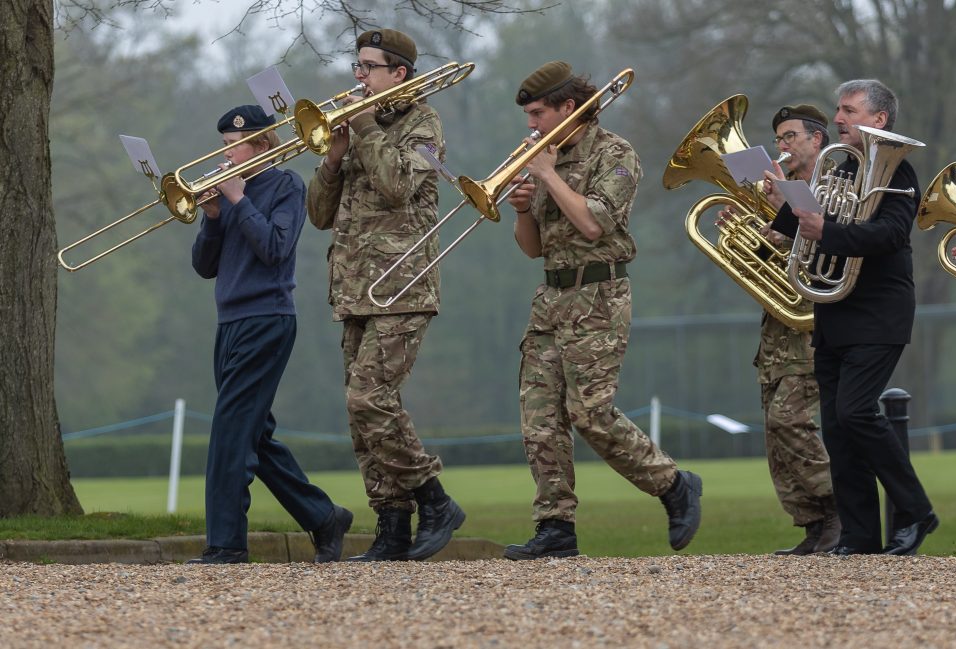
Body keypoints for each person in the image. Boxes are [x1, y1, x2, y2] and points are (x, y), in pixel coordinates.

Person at [503, 61, 702, 560]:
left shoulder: (615, 154)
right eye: (528, 115)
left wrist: (546, 173)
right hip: (550, 299)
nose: (531, 126)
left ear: (569, 107)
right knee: (539, 418)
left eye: (538, 113)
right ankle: (555, 527)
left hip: (598, 298)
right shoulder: (548, 154)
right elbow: (532, 249)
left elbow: (594, 225)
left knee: (590, 414)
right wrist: (524, 208)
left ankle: (673, 484)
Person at [306, 28, 464, 562]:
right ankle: (392, 525)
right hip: (353, 290)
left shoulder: (424, 124)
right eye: (357, 66)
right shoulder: (356, 129)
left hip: (402, 285)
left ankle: (434, 498)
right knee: (362, 417)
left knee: (368, 398)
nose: (358, 76)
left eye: (369, 67)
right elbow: (319, 216)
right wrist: (332, 158)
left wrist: (367, 125)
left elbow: (398, 185)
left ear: (398, 73)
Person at [765, 80, 939, 556]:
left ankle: (916, 510)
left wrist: (828, 230)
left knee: (857, 412)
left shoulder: (898, 172)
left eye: (848, 110)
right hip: (835, 312)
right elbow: (798, 227)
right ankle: (860, 536)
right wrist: (782, 206)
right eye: (837, 109)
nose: (837, 118)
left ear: (878, 120)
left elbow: (888, 235)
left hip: (879, 311)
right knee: (838, 429)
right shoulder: (836, 165)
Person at [187, 105, 352, 564]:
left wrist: (239, 201)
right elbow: (204, 266)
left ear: (262, 144)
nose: (224, 155)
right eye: (223, 146)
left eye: (232, 146)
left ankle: (226, 544)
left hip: (267, 319)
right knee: (251, 433)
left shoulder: (285, 186)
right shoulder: (227, 195)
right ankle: (323, 518)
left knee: (229, 433)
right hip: (230, 323)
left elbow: (275, 249)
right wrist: (216, 216)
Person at [735, 104, 839, 555]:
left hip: (811, 325)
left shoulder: (834, 188)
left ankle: (838, 508)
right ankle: (812, 522)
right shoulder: (777, 193)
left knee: (790, 419)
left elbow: (830, 249)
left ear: (817, 140)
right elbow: (773, 256)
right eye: (778, 139)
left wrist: (786, 213)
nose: (783, 146)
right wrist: (751, 236)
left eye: (791, 137)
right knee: (775, 434)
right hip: (777, 328)